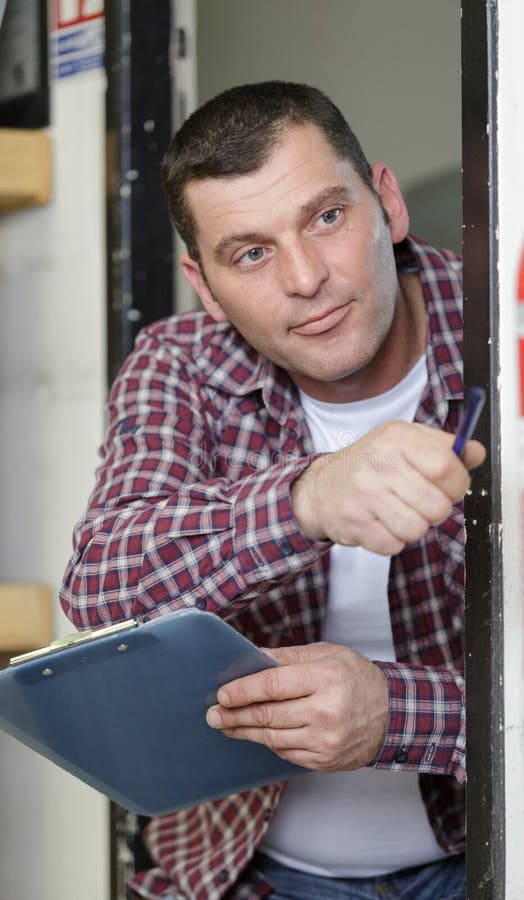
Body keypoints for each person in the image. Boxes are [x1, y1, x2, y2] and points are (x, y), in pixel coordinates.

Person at [60, 81, 485, 900]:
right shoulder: (180, 361)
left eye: (327, 217)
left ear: (388, 204)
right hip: (247, 874)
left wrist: (398, 716)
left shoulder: (521, 330)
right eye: (250, 252)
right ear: (207, 287)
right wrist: (307, 500)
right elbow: (103, 587)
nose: (305, 279)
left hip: (491, 864)